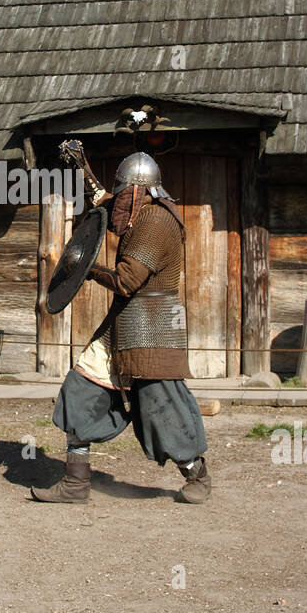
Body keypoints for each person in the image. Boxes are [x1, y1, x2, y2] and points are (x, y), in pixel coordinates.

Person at [32, 152, 211, 504]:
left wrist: (84, 266)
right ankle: (75, 482)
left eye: (123, 192)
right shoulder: (140, 209)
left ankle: (197, 476)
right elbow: (107, 204)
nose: (117, 204)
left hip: (151, 329)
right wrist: (83, 170)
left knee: (162, 408)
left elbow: (128, 281)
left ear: (138, 191)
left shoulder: (155, 222)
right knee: (80, 387)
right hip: (121, 327)